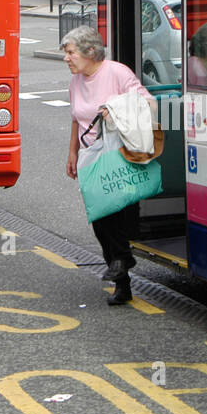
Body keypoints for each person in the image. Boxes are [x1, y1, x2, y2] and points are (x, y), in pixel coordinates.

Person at [62, 26, 155, 305]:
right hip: (92, 155)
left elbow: (147, 103)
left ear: (91, 52)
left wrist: (115, 106)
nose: (66, 58)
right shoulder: (76, 80)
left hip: (120, 153)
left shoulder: (117, 72)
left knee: (120, 213)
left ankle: (121, 262)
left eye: (70, 52)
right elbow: (77, 118)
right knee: (100, 220)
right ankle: (121, 278)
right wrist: (72, 153)